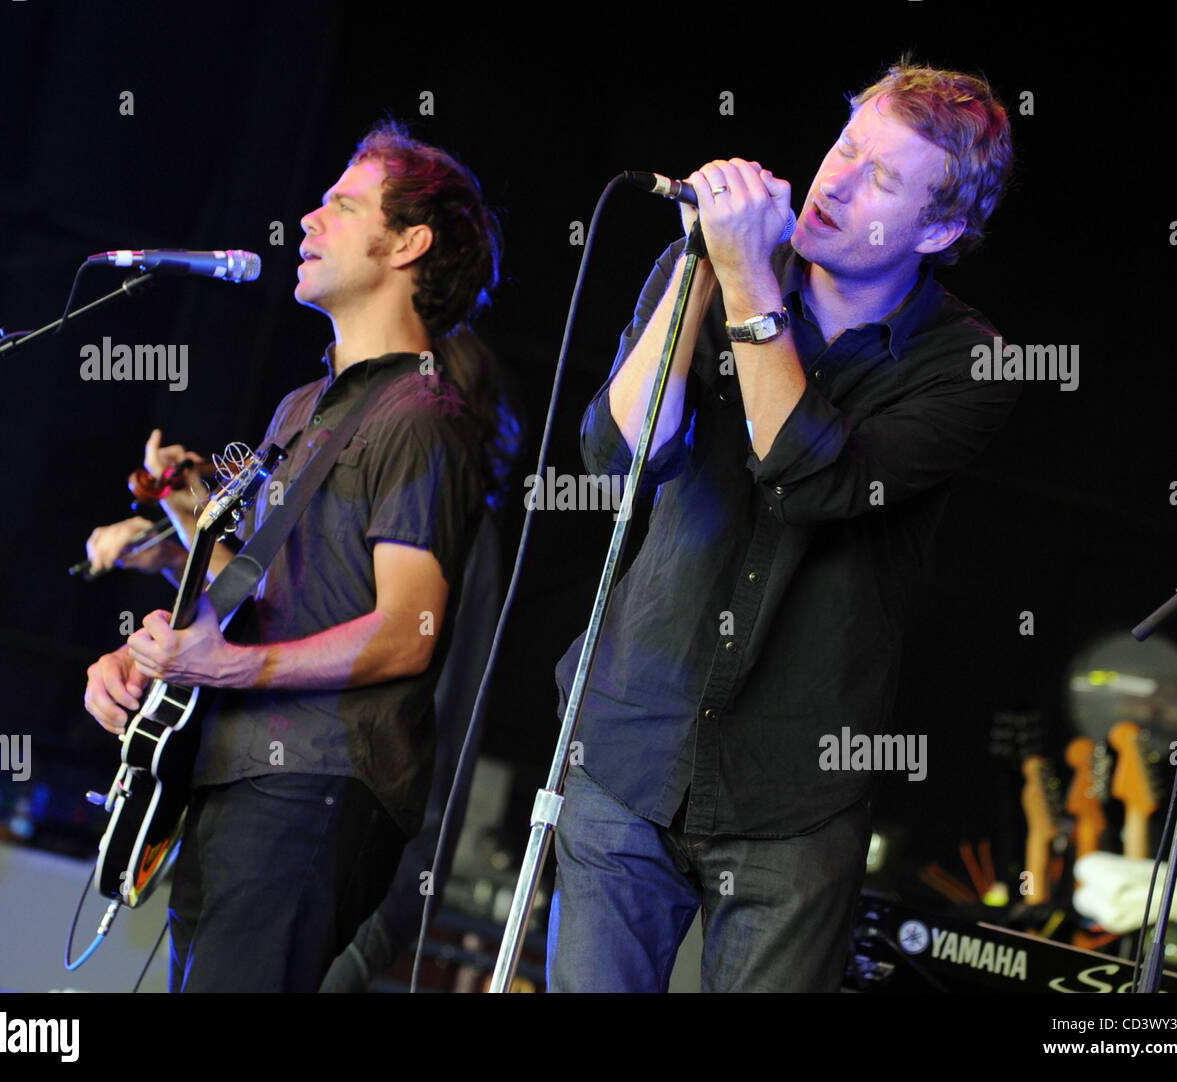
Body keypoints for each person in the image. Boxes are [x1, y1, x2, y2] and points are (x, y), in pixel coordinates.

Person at [549, 60, 1019, 992]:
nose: (837, 181)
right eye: (846, 147)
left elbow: (812, 480)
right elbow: (620, 458)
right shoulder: (713, 266)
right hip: (629, 746)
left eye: (882, 177)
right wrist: (701, 264)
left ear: (940, 229)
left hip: (798, 793)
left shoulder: (975, 364)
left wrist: (746, 281)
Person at [82, 121, 507, 992]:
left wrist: (230, 667)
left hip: (314, 786)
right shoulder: (301, 409)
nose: (308, 222)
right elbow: (263, 589)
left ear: (409, 242)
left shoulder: (424, 416)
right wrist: (147, 652)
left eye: (342, 206)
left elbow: (408, 630)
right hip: (227, 776)